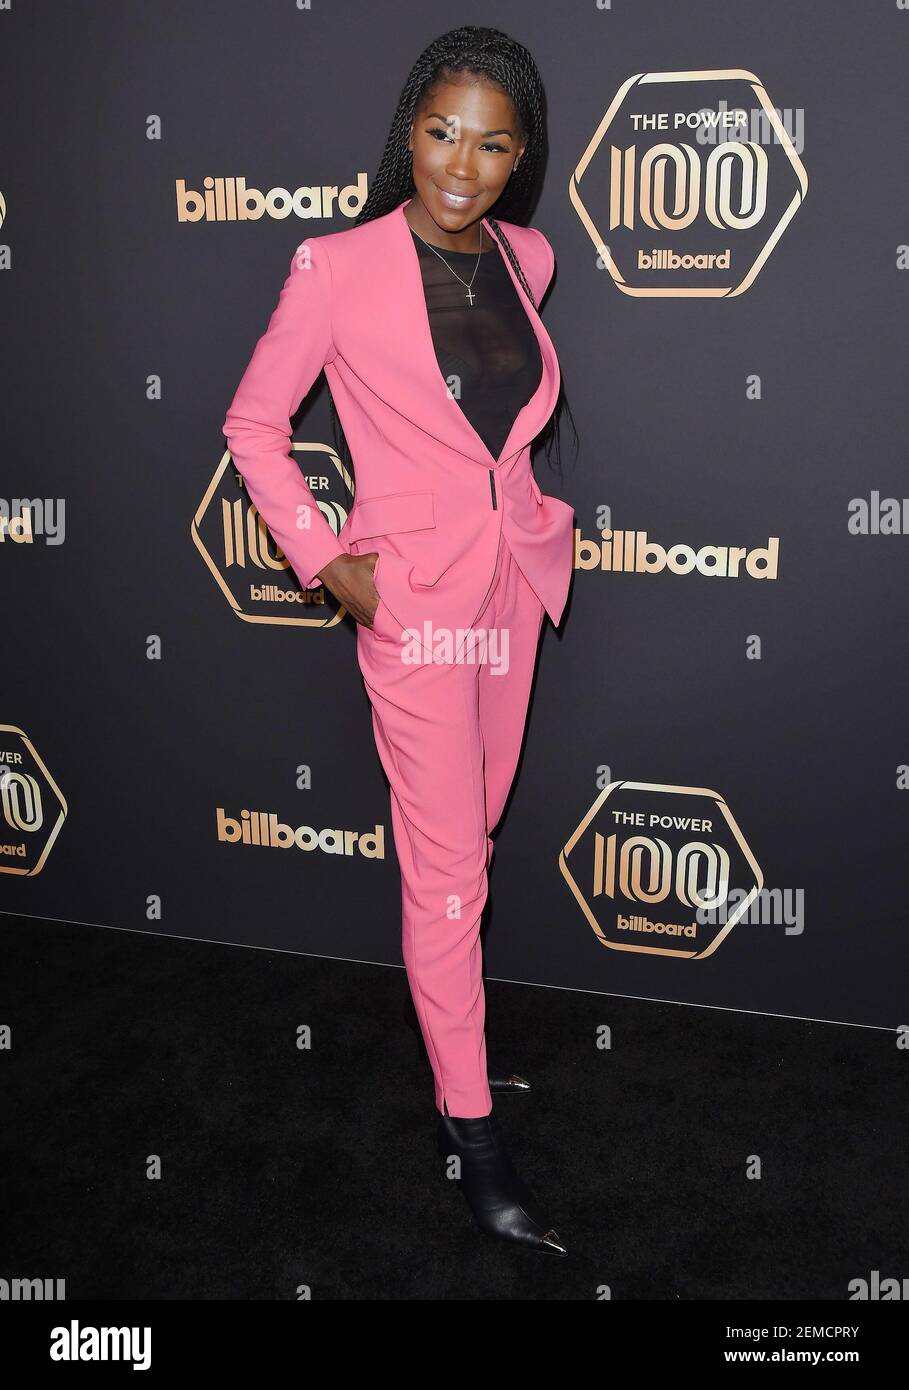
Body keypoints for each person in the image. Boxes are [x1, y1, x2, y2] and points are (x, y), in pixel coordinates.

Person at [222, 25, 578, 1257]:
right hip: (418, 606)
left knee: (472, 833)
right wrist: (327, 561)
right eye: (440, 132)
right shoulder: (336, 266)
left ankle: (454, 1060)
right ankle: (475, 1135)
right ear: (407, 130)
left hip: (512, 592)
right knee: (446, 872)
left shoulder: (525, 260)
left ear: (520, 152)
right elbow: (254, 425)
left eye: (491, 141)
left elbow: (499, 433)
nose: (461, 165)